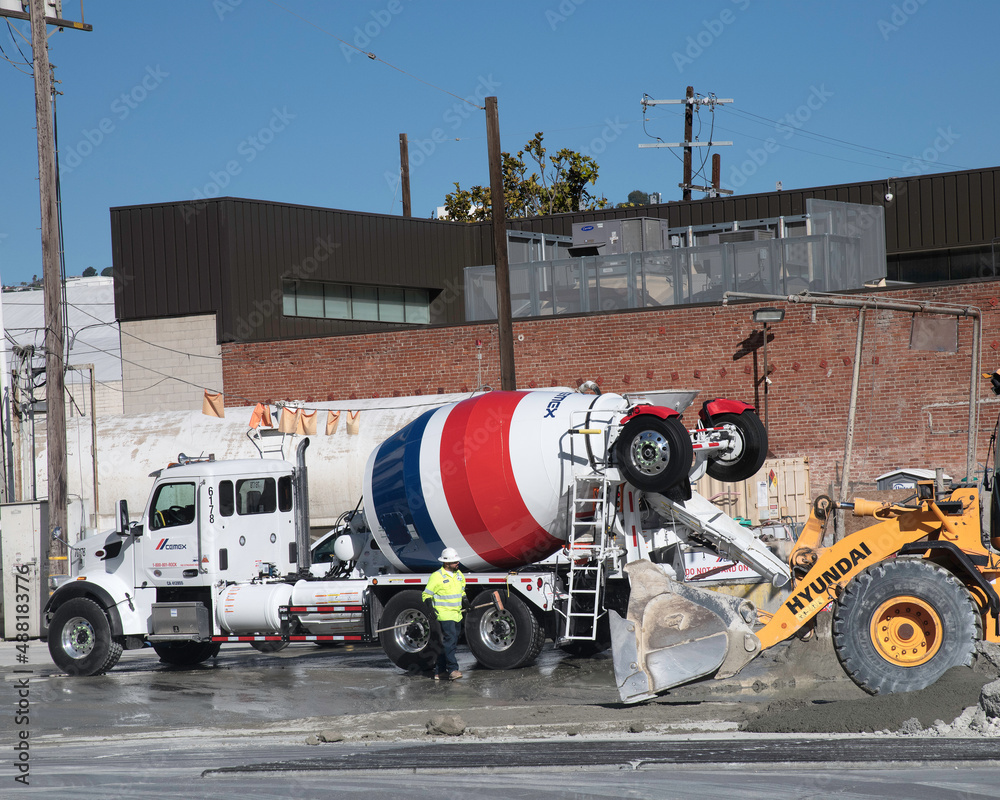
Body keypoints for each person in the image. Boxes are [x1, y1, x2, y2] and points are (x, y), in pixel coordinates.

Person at [422, 547, 467, 680]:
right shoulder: (437, 577)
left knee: (449, 643)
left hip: (457, 614)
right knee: (450, 641)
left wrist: (467, 602)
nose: (457, 563)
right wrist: (430, 609)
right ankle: (453, 670)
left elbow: (462, 592)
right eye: (454, 561)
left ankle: (439, 671)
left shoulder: (459, 575)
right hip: (445, 615)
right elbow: (426, 595)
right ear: (446, 563)